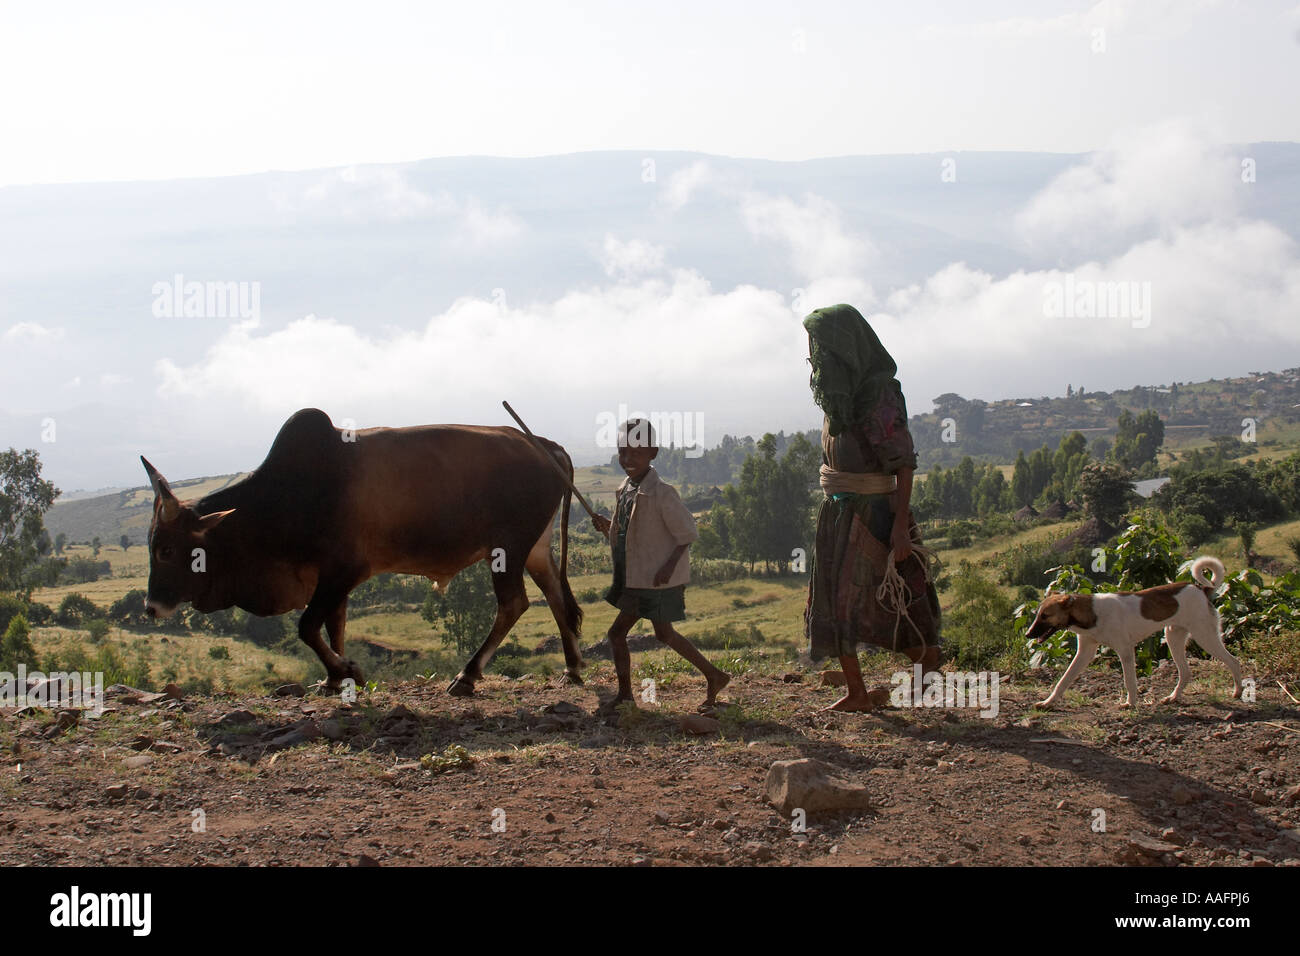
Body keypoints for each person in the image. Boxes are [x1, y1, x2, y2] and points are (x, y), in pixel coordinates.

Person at [802, 304, 943, 712]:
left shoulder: (878, 395)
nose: (814, 355)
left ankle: (927, 671)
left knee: (898, 595)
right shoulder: (836, 398)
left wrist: (900, 525)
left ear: (844, 347)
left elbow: (903, 463)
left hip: (877, 513)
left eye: (820, 345)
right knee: (834, 599)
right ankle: (857, 691)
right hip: (840, 513)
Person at [591, 418, 730, 711]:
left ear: (653, 452)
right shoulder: (625, 489)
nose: (627, 459)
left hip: (655, 580)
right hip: (635, 578)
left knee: (633, 634)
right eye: (622, 452)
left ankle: (630, 694)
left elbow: (687, 533)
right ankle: (712, 675)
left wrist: (669, 567)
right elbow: (627, 533)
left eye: (636, 453)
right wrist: (608, 527)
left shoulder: (663, 493)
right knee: (655, 634)